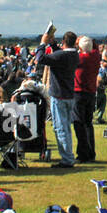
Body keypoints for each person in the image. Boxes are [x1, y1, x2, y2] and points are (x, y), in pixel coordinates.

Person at [34, 26, 81, 168]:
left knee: (61, 128)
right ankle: (68, 156)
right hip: (69, 94)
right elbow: (59, 55)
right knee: (65, 127)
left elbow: (40, 58)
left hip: (59, 95)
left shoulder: (62, 56)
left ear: (64, 42)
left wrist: (43, 43)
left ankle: (67, 159)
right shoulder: (74, 55)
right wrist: (53, 44)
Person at [74, 35, 101, 163]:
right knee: (88, 124)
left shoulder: (79, 58)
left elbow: (71, 53)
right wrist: (86, 41)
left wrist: (77, 43)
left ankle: (83, 153)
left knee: (79, 124)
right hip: (91, 93)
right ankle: (91, 152)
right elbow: (95, 48)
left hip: (79, 93)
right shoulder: (95, 56)